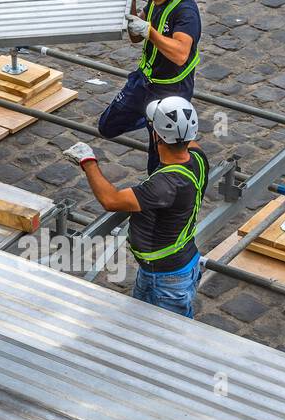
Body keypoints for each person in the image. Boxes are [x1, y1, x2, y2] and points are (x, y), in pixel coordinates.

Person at [65, 97, 208, 318]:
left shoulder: (164, 185)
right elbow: (183, 138)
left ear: (156, 136)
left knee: (164, 338)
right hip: (173, 265)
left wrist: (88, 162)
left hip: (164, 278)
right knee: (139, 324)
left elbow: (111, 200)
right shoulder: (198, 158)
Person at [96, 0, 201, 174]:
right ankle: (150, 119)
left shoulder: (186, 12)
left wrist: (150, 32)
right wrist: (130, 7)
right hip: (144, 82)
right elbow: (136, 36)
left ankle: (167, 133)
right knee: (107, 126)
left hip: (171, 91)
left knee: (158, 162)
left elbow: (181, 53)